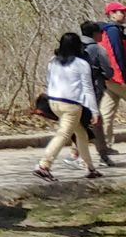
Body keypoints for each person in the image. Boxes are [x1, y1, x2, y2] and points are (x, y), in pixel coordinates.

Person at [34, 32, 101, 181]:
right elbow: (88, 89)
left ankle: (90, 168)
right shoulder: (81, 64)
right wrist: (94, 111)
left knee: (81, 134)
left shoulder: (53, 61)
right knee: (63, 134)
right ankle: (44, 166)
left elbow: (49, 81)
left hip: (54, 103)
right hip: (71, 105)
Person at [79, 22, 116, 166]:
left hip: (73, 91)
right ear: (95, 34)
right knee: (96, 121)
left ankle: (77, 155)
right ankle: (103, 155)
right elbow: (108, 71)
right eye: (100, 33)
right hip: (93, 89)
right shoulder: (98, 49)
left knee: (79, 122)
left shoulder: (73, 47)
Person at [95, 2, 126, 151]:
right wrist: (122, 77)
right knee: (106, 113)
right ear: (111, 14)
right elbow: (117, 55)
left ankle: (104, 148)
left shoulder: (106, 31)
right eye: (120, 12)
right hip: (117, 78)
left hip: (108, 79)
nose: (123, 14)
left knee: (106, 113)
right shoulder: (113, 30)